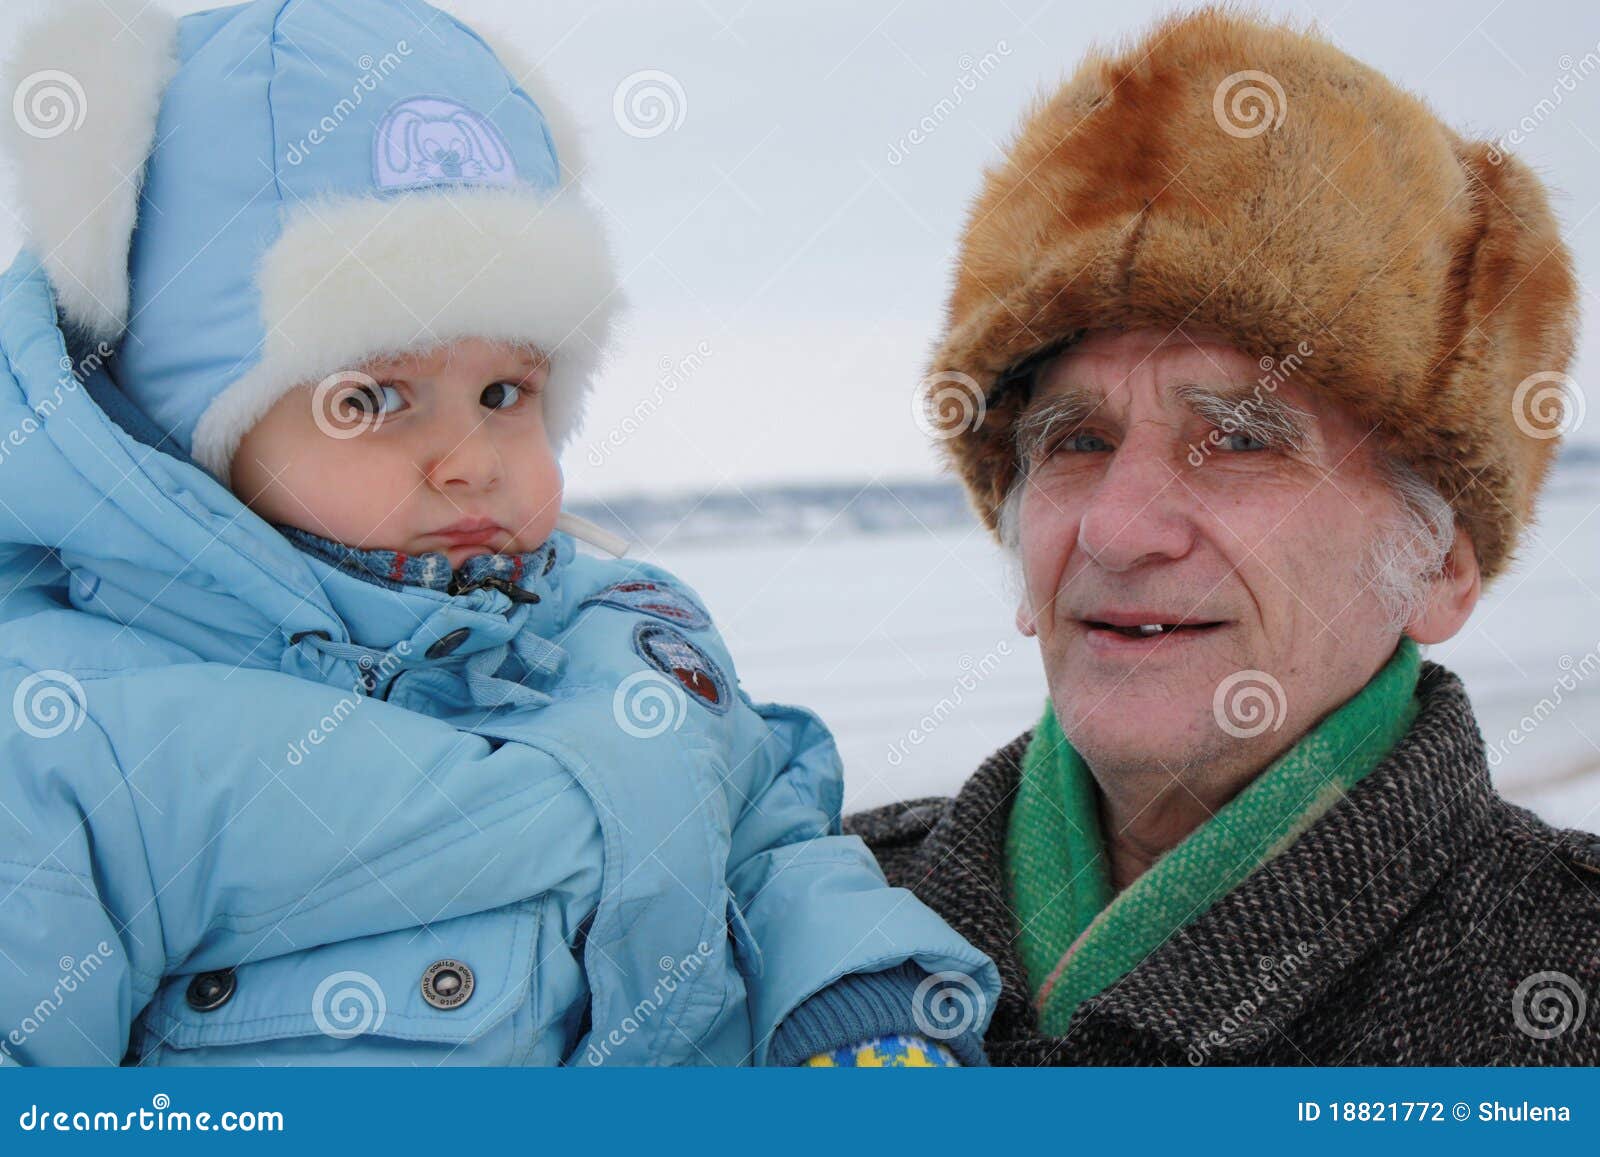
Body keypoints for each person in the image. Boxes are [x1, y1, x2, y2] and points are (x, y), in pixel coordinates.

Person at [0, 0, 996, 1067]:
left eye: (504, 391)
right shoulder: (77, 746)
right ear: (185, 431)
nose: (471, 458)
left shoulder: (635, 640)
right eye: (374, 397)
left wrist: (856, 1006)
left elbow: (769, 844)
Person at [848, 6, 1600, 1064]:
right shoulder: (795, 932)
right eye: (1075, 441)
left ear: (1439, 563)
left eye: (1241, 440)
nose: (1117, 529)